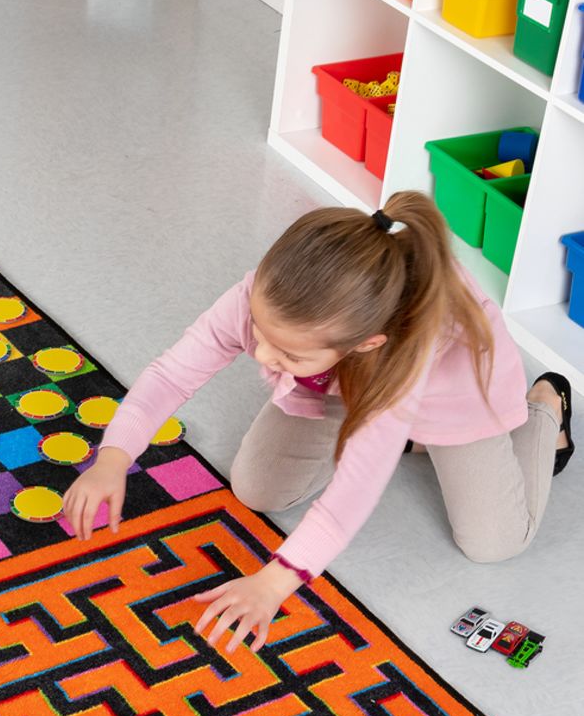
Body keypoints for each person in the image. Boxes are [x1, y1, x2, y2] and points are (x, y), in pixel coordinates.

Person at [63, 190, 574, 654]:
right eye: (261, 332)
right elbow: (171, 375)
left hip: (453, 397)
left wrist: (276, 581)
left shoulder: (401, 364)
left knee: (492, 544)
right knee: (258, 490)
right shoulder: (267, 302)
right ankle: (397, 436)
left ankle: (544, 409)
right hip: (344, 381)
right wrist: (113, 458)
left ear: (364, 344)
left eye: (285, 352)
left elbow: (353, 495)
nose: (260, 353)